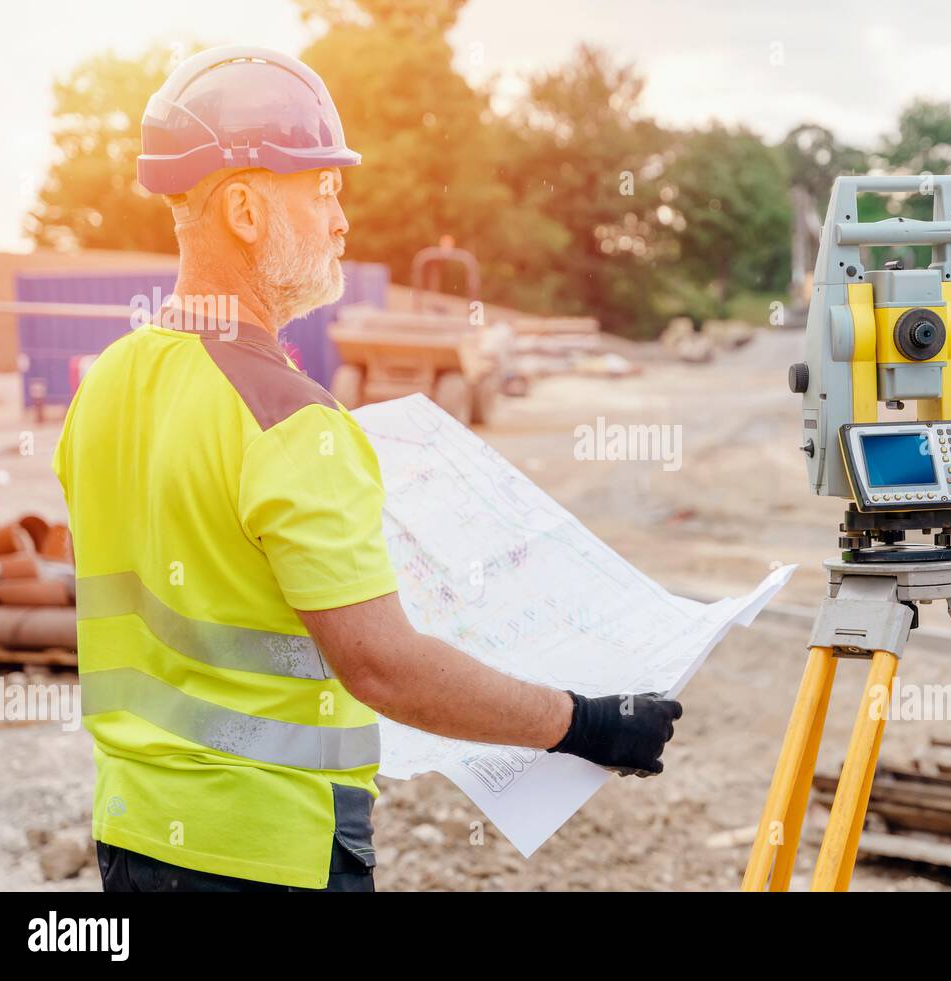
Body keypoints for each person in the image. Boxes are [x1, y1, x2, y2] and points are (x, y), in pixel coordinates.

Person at [54, 45, 682, 893]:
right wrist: (588, 723)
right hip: (269, 853)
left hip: (134, 840)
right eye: (322, 192)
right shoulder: (291, 419)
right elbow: (381, 664)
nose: (341, 221)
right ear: (243, 208)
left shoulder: (106, 387)